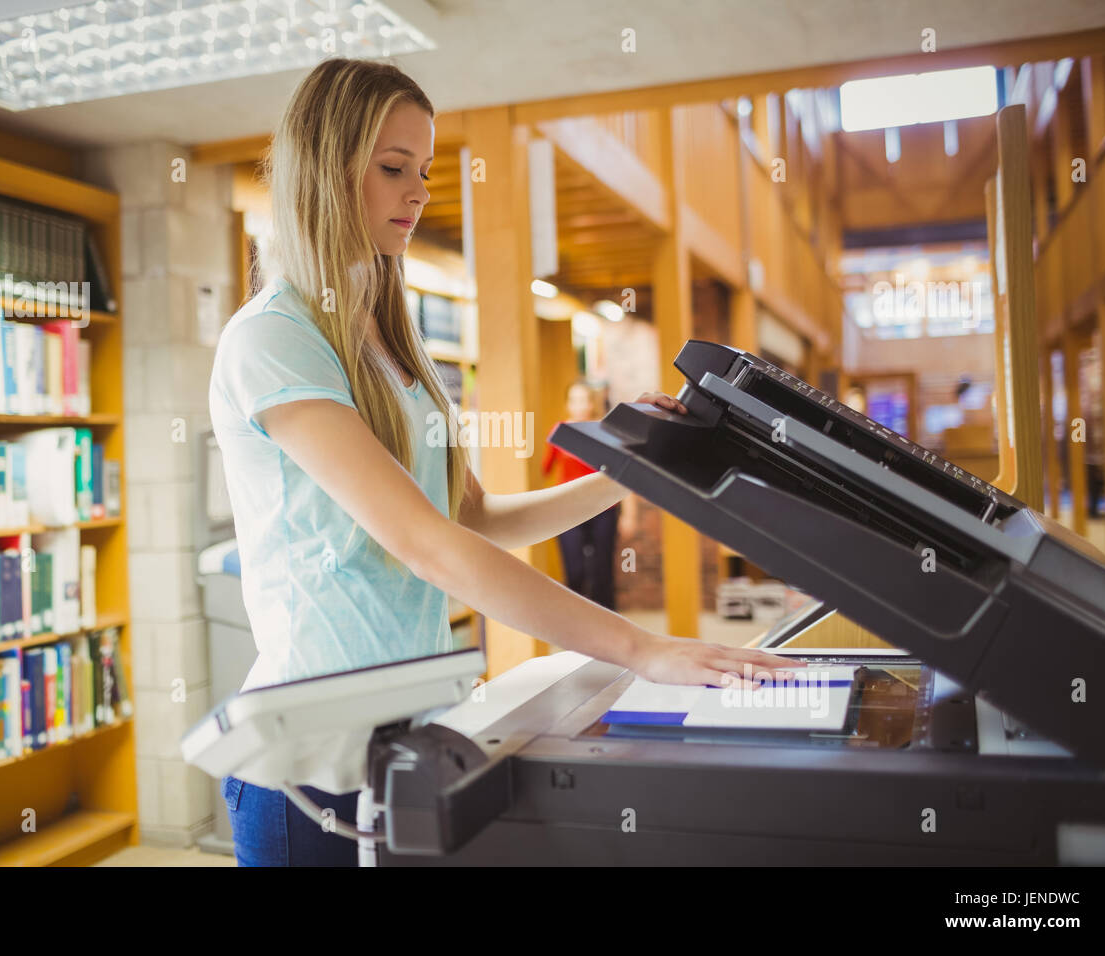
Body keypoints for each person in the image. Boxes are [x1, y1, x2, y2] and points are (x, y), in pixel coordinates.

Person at [207, 57, 802, 867]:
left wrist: (631, 473)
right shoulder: (273, 338)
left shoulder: (391, 341)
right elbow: (427, 543)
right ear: (323, 168)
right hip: (312, 766)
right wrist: (640, 648)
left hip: (409, 739)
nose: (417, 193)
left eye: (424, 170)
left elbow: (473, 517)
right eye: (391, 169)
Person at [543, 380, 638, 610]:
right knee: (574, 571)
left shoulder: (602, 431)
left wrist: (629, 514)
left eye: (583, 400)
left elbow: (622, 473)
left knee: (602, 572)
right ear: (567, 404)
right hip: (568, 511)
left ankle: (608, 627)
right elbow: (546, 469)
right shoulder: (559, 432)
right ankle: (576, 626)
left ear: (591, 403)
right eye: (574, 400)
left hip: (602, 510)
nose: (579, 406)